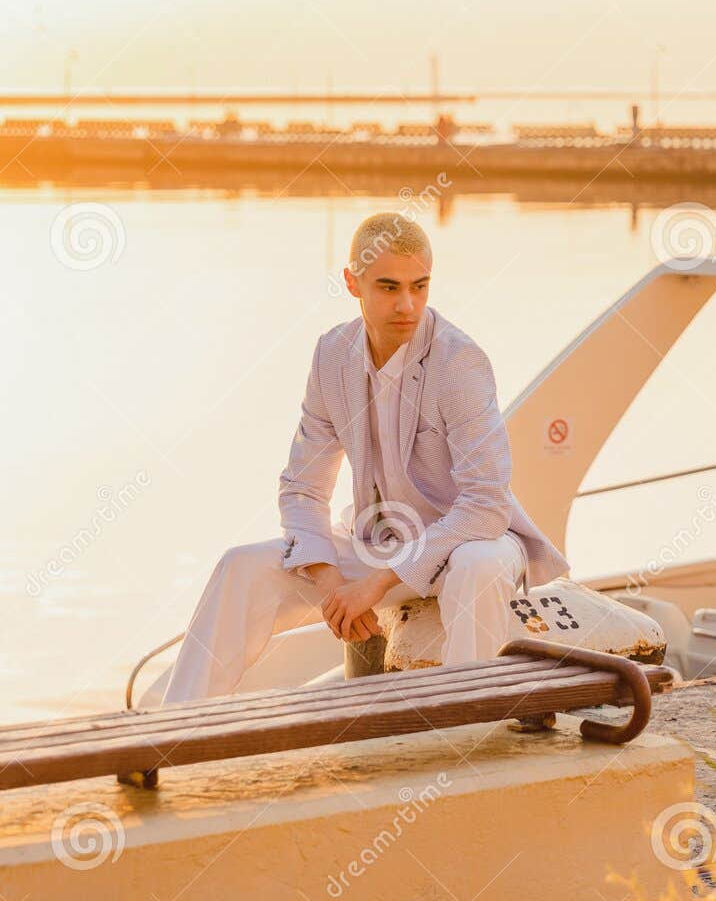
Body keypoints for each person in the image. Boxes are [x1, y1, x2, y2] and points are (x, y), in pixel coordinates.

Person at [161, 211, 569, 705]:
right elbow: (304, 487)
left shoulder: (458, 361)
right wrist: (335, 588)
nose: (408, 305)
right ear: (353, 283)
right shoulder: (332, 354)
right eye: (388, 287)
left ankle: (471, 727)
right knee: (242, 566)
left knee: (479, 564)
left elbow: (485, 505)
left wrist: (375, 585)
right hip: (378, 538)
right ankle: (175, 733)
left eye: (420, 286)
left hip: (466, 540)